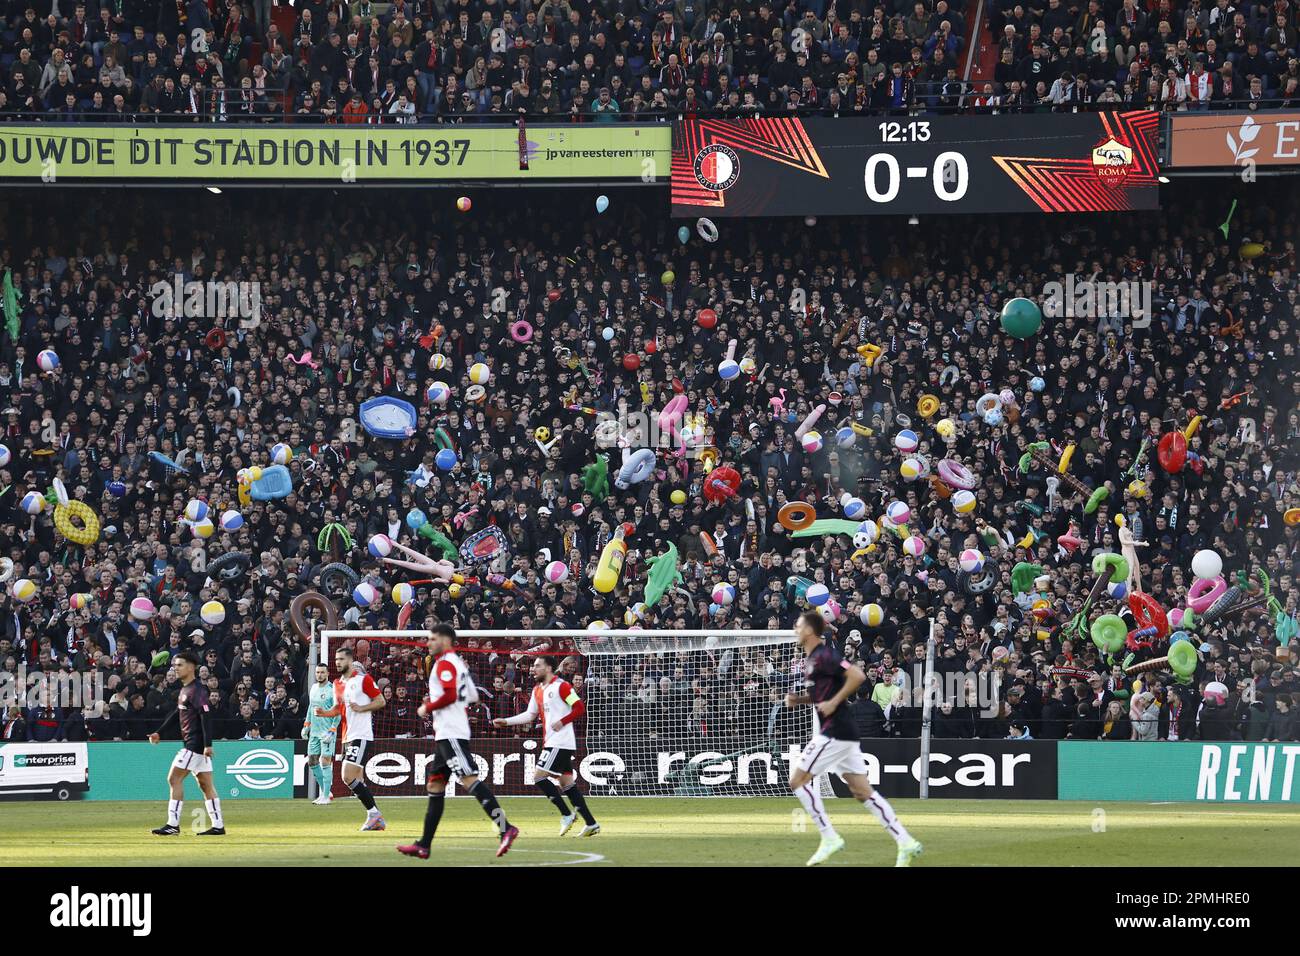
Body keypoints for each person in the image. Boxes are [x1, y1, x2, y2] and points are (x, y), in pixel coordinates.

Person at [785, 611, 923, 867]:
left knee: (797, 780)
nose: (795, 629)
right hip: (843, 732)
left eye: (799, 625)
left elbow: (857, 677)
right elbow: (825, 694)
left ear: (811, 631)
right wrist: (801, 700)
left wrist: (834, 701)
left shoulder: (825, 655)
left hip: (834, 730)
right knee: (863, 792)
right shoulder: (812, 659)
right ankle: (906, 842)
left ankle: (828, 836)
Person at [397, 622, 519, 860]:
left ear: (444, 640)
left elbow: (451, 694)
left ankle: (506, 828)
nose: (428, 643)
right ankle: (424, 844)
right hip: (447, 732)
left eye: (432, 639)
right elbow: (472, 695)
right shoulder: (458, 664)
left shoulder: (444, 663)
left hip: (451, 732)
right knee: (435, 786)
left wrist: (427, 707)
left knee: (468, 779)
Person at [493, 655, 599, 837]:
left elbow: (580, 707)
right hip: (552, 741)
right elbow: (530, 715)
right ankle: (591, 823)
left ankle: (566, 814)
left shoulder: (562, 686)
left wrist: (562, 721)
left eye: (537, 666)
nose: (534, 669)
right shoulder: (537, 690)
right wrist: (507, 722)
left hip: (561, 742)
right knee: (568, 784)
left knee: (539, 777)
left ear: (549, 668)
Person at [148, 650, 224, 837]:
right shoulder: (185, 689)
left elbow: (206, 716)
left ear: (191, 667)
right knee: (206, 785)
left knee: (174, 779)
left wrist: (208, 744)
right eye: (175, 665)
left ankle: (173, 825)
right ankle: (218, 826)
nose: (175, 668)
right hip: (197, 746)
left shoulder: (198, 690)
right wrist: (160, 732)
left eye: (179, 665)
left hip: (194, 745)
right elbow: (177, 714)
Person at [317, 645, 386, 831]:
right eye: (336, 660)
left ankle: (374, 814)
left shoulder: (364, 680)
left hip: (361, 735)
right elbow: (339, 710)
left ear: (349, 660)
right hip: (346, 737)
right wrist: (324, 713)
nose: (337, 663)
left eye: (341, 659)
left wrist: (362, 708)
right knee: (357, 780)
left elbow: (381, 701)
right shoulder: (337, 684)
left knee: (346, 776)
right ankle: (375, 817)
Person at [303, 663, 340, 805]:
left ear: (328, 673)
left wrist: (332, 730)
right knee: (312, 761)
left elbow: (338, 713)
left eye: (322, 672)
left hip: (327, 732)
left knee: (325, 761)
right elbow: (310, 708)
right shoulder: (313, 688)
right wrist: (307, 725)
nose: (319, 675)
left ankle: (325, 797)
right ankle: (326, 791)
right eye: (317, 672)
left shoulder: (333, 690)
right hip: (314, 732)